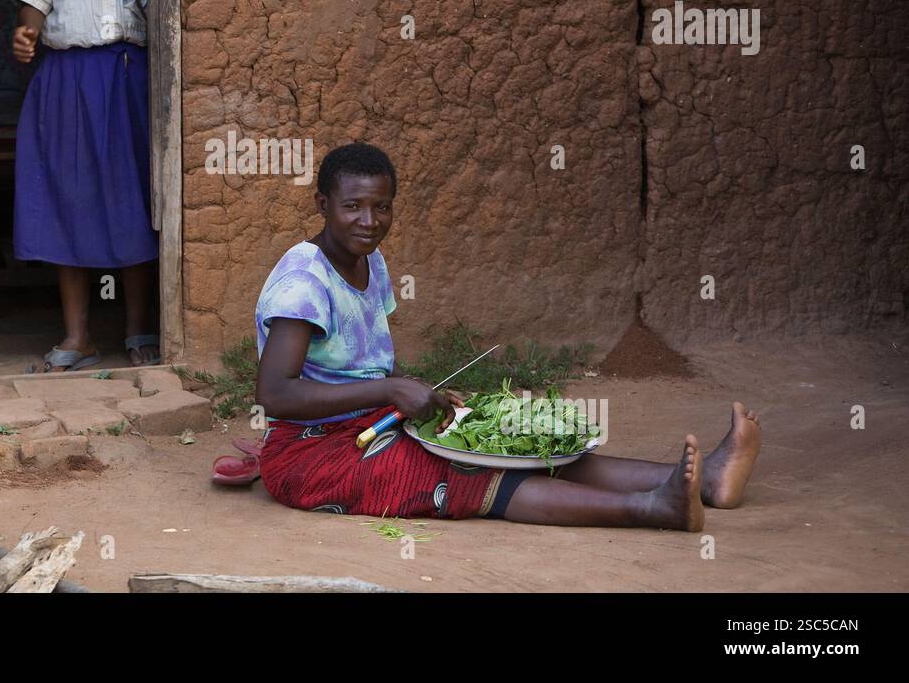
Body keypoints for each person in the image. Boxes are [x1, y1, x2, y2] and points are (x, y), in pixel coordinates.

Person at [252, 142, 762, 530]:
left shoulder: (369, 260)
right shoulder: (305, 283)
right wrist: (389, 390)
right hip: (310, 454)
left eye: (382, 207)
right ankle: (651, 509)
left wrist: (411, 391)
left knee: (507, 445)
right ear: (323, 204)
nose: (370, 221)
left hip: (370, 421)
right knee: (461, 470)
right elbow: (275, 393)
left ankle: (705, 480)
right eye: (353, 207)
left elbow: (358, 369)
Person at [7, 0, 159, 371]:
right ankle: (78, 336)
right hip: (67, 79)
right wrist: (27, 31)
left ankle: (139, 330)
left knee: (135, 203)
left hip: (131, 75)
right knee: (67, 201)